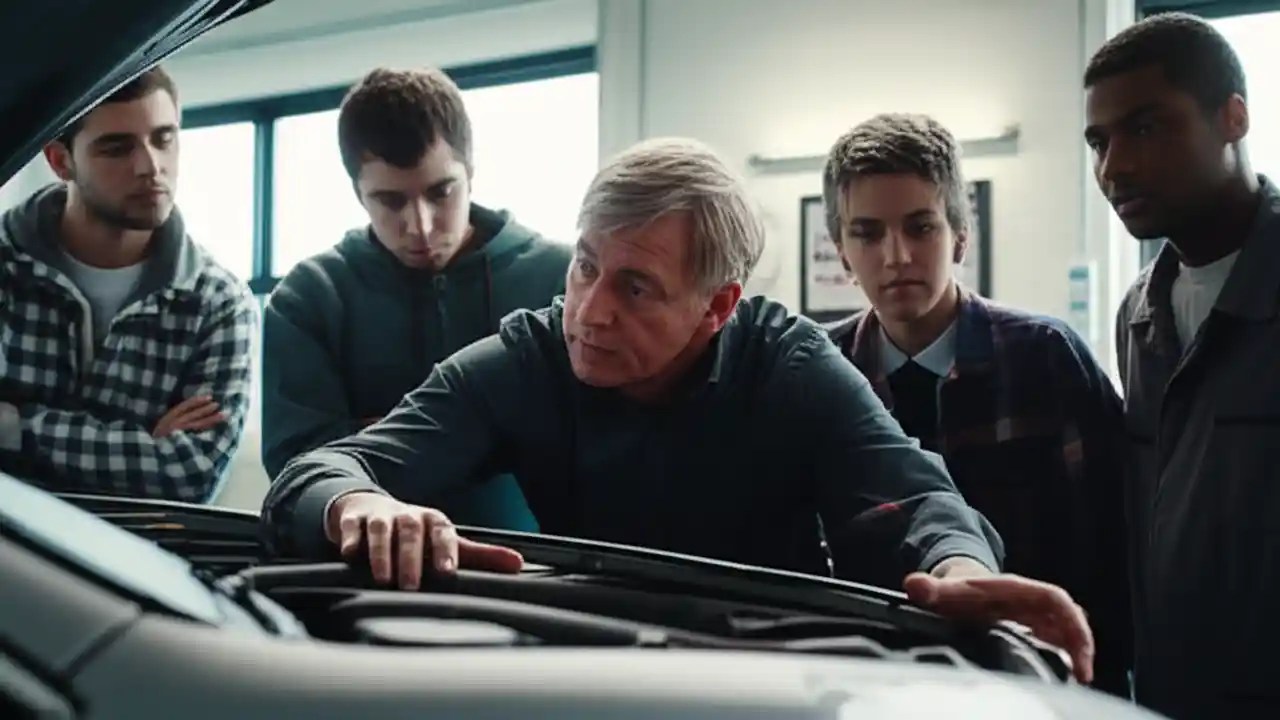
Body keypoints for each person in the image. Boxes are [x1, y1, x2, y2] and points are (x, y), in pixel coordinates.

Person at [262, 136, 1097, 682]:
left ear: (718, 305)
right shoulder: (528, 357)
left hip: (766, 680)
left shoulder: (789, 365)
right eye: (585, 267)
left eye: (635, 287)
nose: (589, 312)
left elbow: (917, 497)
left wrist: (961, 571)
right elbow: (321, 470)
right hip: (586, 673)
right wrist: (358, 502)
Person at [819, 113, 1131, 696]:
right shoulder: (822, 369)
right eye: (867, 233)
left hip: (1037, 680)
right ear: (841, 250)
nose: (896, 255)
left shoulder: (1044, 356)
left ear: (960, 236)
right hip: (869, 681)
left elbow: (1114, 549)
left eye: (920, 228)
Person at [261, 67, 571, 531]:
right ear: (357, 193)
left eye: (441, 192)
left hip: (543, 560)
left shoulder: (564, 278)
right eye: (390, 201)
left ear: (471, 171)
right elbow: (299, 471)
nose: (420, 226)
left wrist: (376, 435)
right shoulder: (307, 297)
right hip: (368, 563)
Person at [1085, 12, 1280, 718]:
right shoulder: (1140, 314)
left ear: (1233, 118)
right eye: (1099, 142)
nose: (1114, 167)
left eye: (1145, 127)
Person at [0, 66, 257, 503]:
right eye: (117, 149)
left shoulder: (218, 302)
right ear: (61, 161)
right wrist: (143, 444)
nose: (150, 167)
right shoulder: (6, 269)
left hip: (133, 547)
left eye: (164, 139)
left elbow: (188, 476)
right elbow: (162, 468)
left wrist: (12, 427)